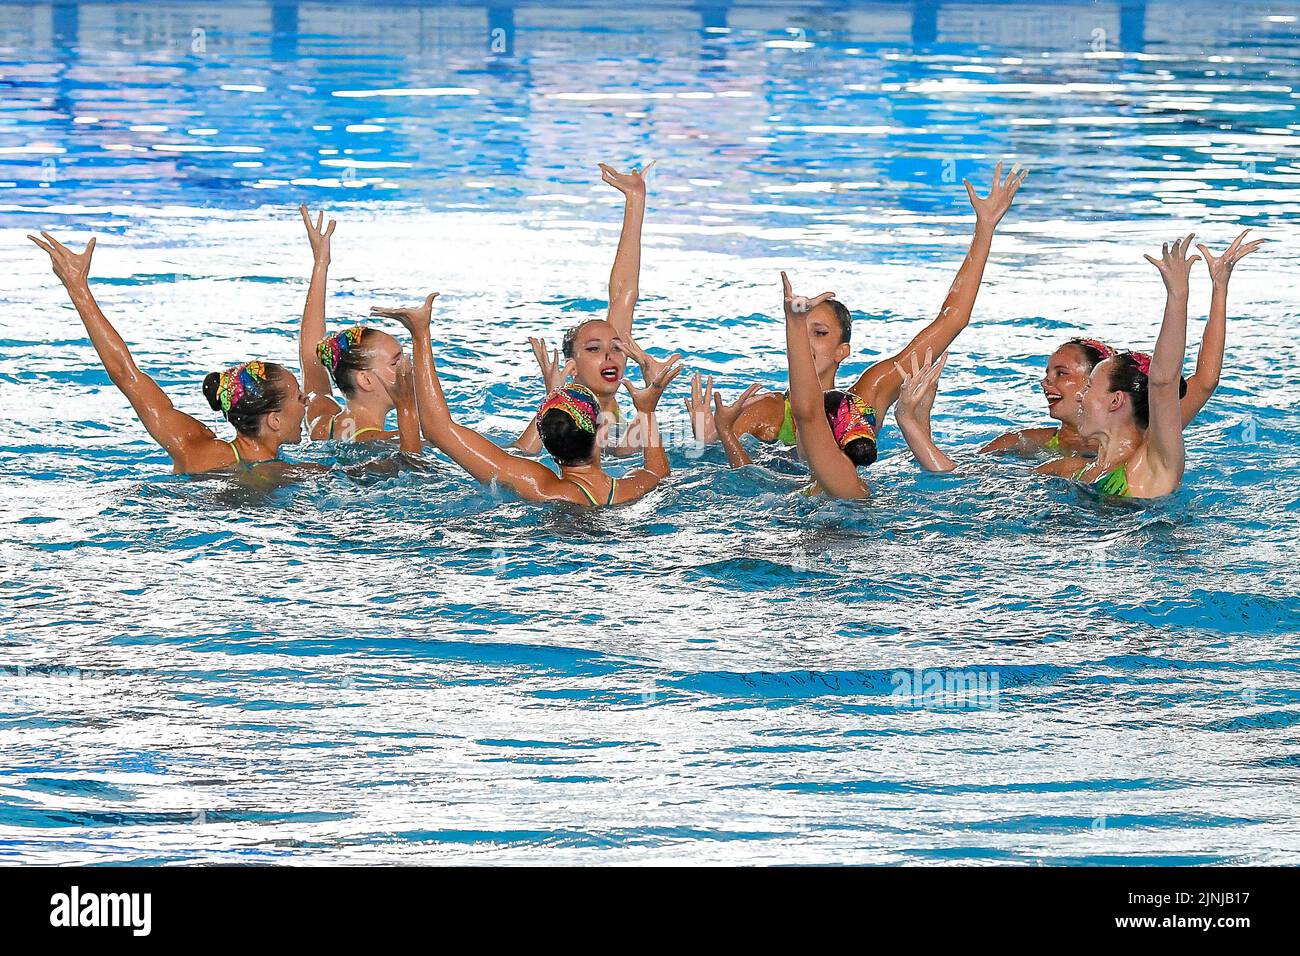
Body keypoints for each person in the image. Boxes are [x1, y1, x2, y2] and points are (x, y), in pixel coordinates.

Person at [687, 162, 1027, 455]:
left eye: (819, 333)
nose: (805, 342)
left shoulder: (864, 399)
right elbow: (717, 466)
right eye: (799, 332)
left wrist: (985, 229)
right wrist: (708, 441)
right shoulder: (767, 410)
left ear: (842, 351)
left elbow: (952, 321)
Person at [29, 232, 309, 475]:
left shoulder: (195, 449)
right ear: (274, 420)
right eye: (298, 396)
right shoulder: (297, 475)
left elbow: (126, 375)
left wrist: (77, 288)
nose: (306, 400)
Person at [372, 294, 681, 506]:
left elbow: (439, 430)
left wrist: (421, 334)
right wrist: (646, 411)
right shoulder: (630, 488)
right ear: (602, 433)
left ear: (546, 444)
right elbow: (658, 474)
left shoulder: (544, 488)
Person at [980, 229, 1262, 458]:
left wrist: (1218, 288)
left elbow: (1203, 380)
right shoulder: (1027, 445)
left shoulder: (1147, 440)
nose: (1045, 382)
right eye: (1048, 373)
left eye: (1061, 373)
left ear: (1108, 391)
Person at [514, 162, 679, 456]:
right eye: (593, 349)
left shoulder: (612, 405)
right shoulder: (569, 411)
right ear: (572, 367)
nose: (609, 355)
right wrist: (554, 398)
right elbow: (519, 455)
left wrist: (636, 200)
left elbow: (624, 294)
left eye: (616, 348)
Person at [1033, 236, 1203, 498]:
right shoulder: (1075, 471)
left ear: (1116, 400)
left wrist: (1177, 296)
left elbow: (1163, 382)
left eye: (1089, 387)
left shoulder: (1149, 466)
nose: (1080, 394)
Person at [714, 273, 879, 499]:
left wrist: (795, 322)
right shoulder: (823, 483)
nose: (801, 429)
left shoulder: (841, 481)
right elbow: (751, 477)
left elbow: (807, 412)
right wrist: (725, 433)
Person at [297, 205, 418, 448]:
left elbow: (312, 357)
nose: (408, 366)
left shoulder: (321, 422)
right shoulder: (388, 442)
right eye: (396, 362)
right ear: (365, 379)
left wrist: (321, 264)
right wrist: (409, 408)